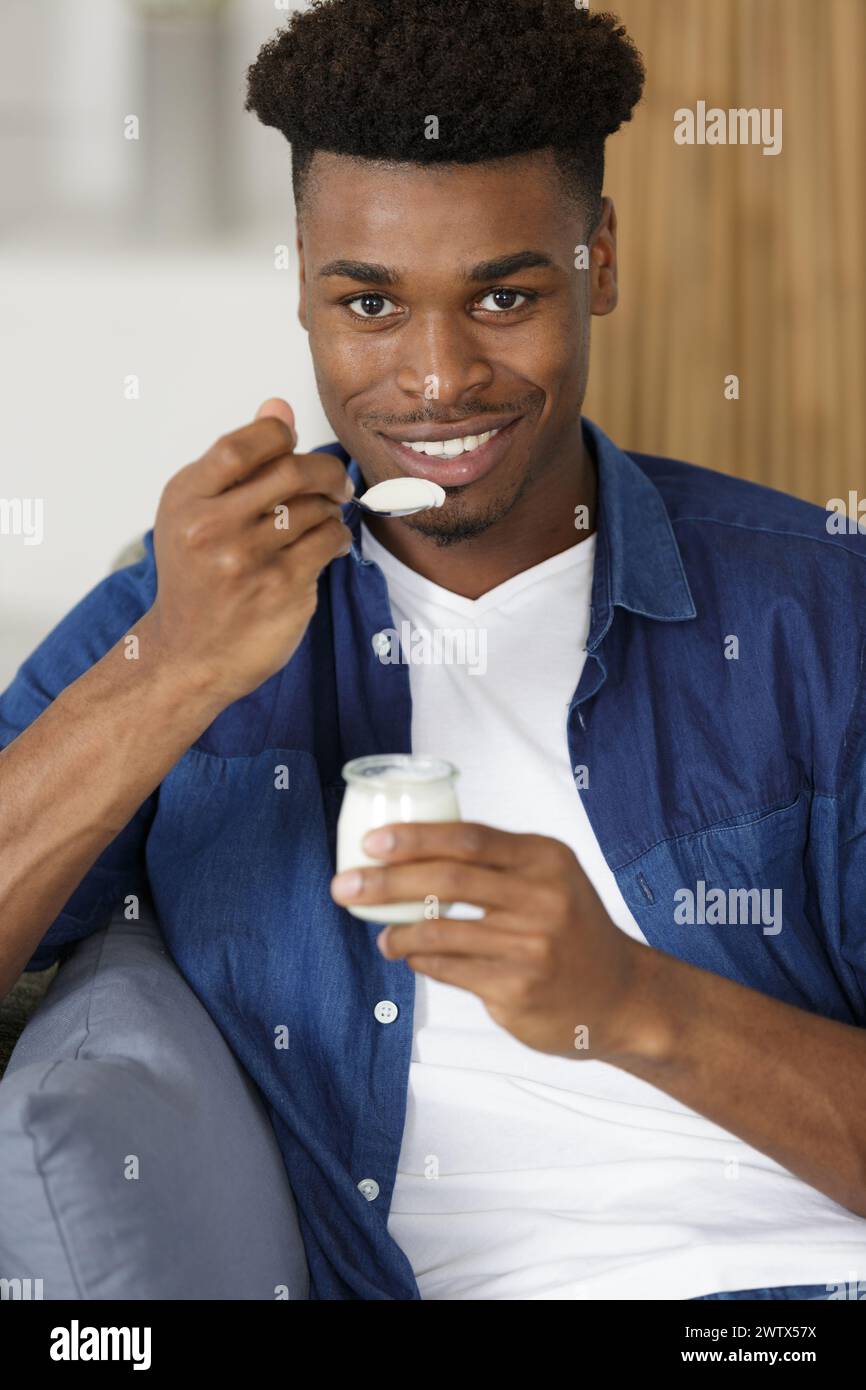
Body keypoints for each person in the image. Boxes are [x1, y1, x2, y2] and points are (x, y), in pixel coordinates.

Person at [1, 0, 865, 1301]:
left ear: (601, 263)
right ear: (300, 278)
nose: (435, 378)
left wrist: (631, 997)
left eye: (505, 295)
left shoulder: (818, 603)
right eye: (368, 303)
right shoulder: (182, 604)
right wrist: (170, 669)